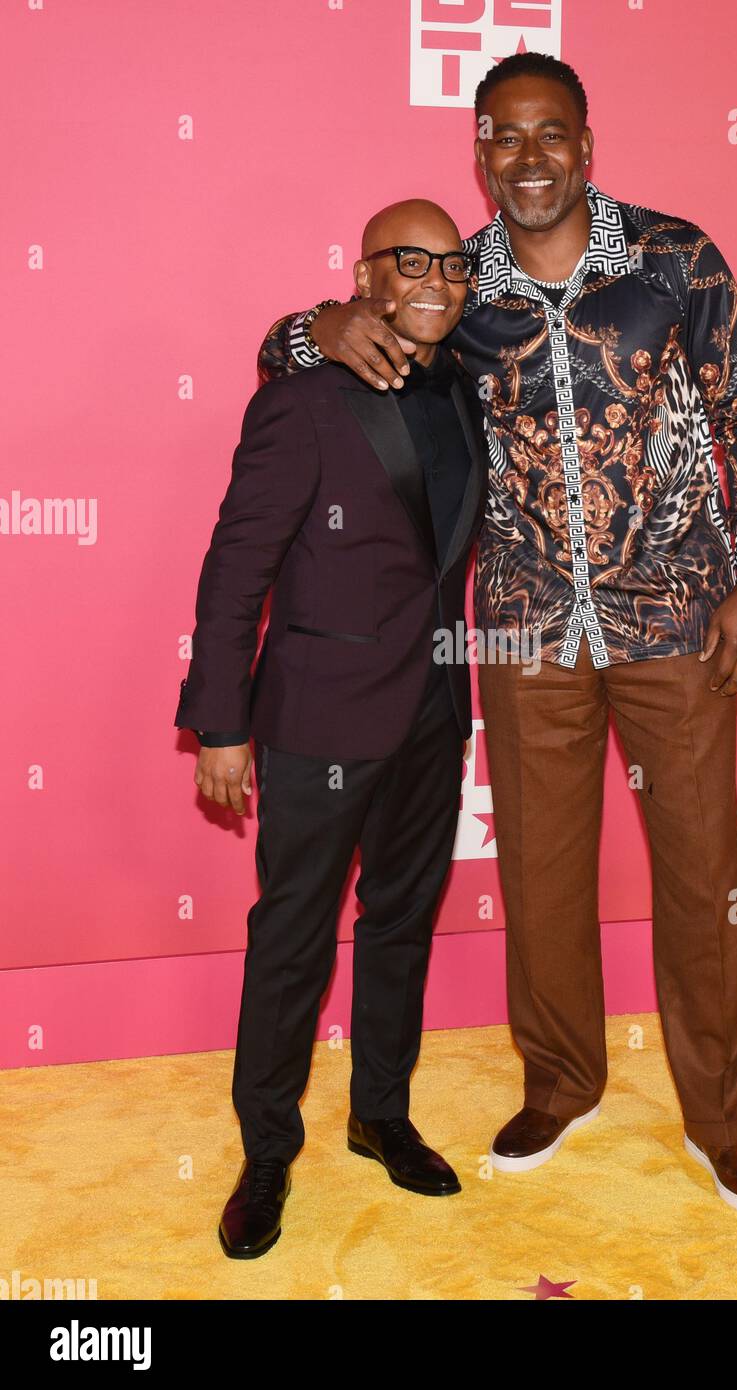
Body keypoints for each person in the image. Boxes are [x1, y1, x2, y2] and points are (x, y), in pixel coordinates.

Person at [256, 52, 737, 1215]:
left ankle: (722, 1120)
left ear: (588, 144)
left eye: (552, 134)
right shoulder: (460, 286)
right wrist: (322, 321)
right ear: (480, 152)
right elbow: (294, 359)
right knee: (544, 877)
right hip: (524, 627)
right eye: (505, 136)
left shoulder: (673, 257)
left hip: (674, 615)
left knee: (703, 875)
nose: (530, 156)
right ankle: (561, 1080)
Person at [175, 200, 489, 1257]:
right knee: (293, 940)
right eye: (411, 261)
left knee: (401, 925)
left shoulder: (469, 388)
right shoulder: (304, 400)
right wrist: (222, 721)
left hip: (435, 712)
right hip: (319, 715)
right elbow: (235, 568)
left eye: (452, 261)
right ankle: (267, 1152)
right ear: (365, 275)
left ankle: (379, 1115)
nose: (437, 279)